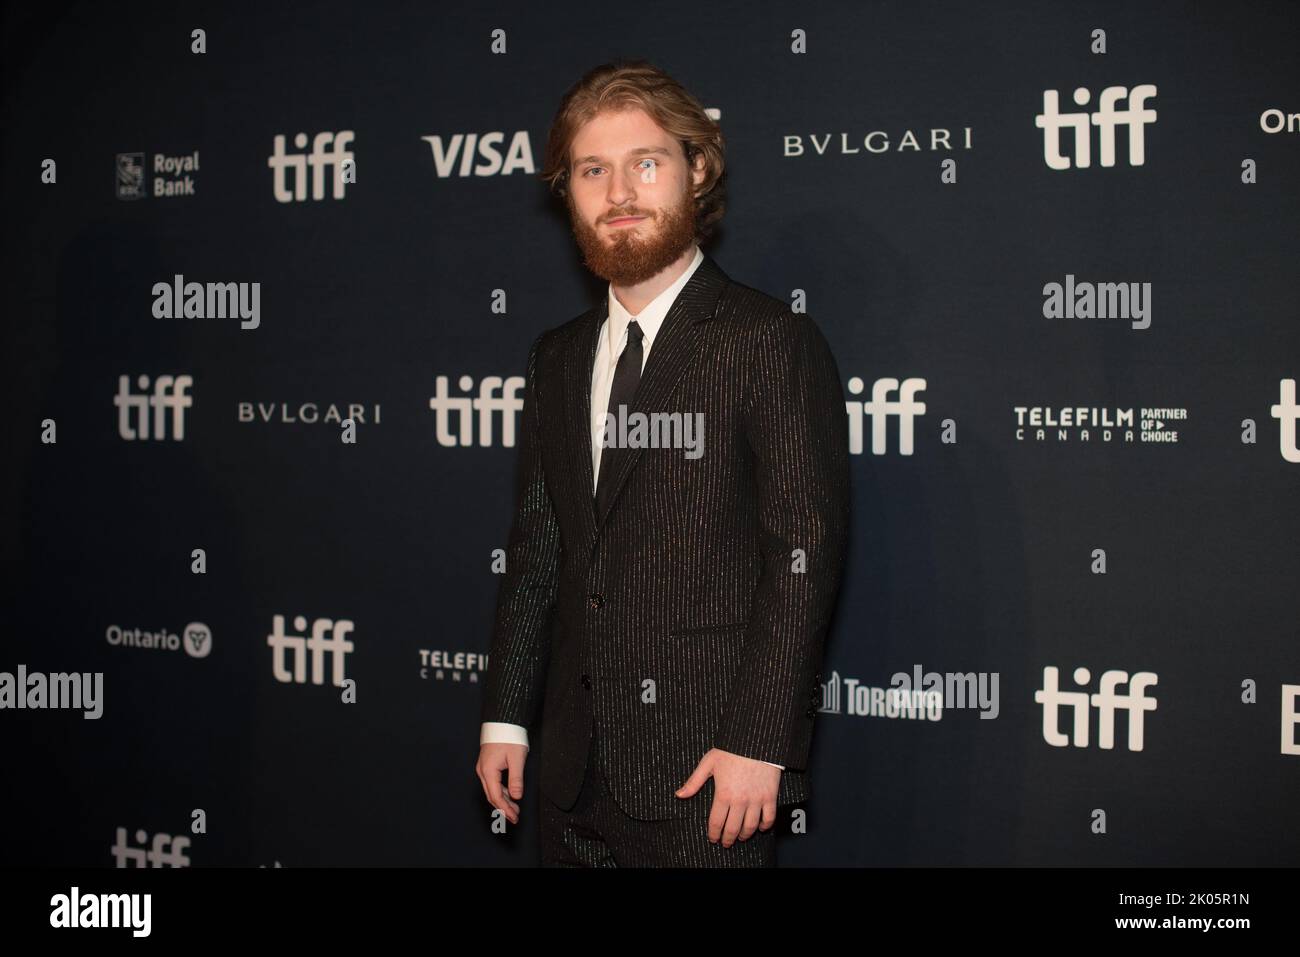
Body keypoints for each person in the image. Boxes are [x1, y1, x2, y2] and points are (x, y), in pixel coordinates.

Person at [475, 59, 850, 867]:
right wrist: (507, 716)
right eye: (592, 170)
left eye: (645, 163)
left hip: (711, 776)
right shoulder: (555, 359)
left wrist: (760, 741)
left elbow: (803, 553)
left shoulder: (766, 341)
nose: (619, 193)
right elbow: (539, 548)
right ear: (566, 191)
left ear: (699, 170)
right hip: (573, 775)